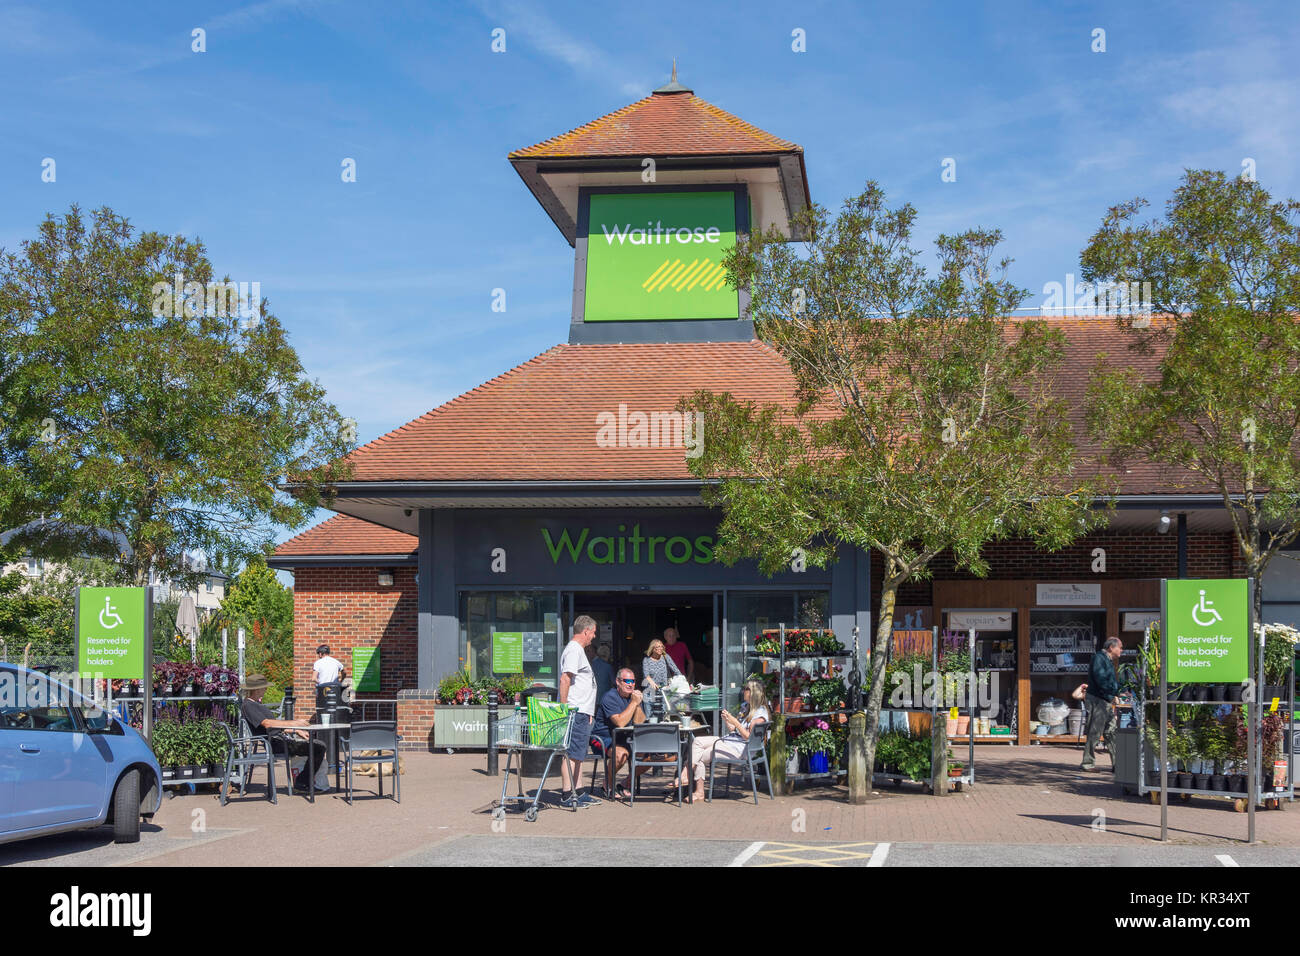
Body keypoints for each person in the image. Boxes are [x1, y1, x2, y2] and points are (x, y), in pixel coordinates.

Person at [679, 678, 769, 802]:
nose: (743, 691)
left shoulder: (760, 715)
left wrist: (736, 722)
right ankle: (686, 775)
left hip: (740, 749)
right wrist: (728, 721)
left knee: (698, 755)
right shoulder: (746, 708)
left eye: (746, 689)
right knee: (698, 741)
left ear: (754, 693)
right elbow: (734, 730)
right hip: (731, 742)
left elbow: (748, 737)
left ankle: (697, 789)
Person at [240, 673, 331, 793]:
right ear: (256, 690)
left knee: (317, 745)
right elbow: (268, 724)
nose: (266, 689)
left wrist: (296, 730)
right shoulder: (248, 705)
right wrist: (294, 723)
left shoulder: (256, 704)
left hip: (278, 739)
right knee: (318, 747)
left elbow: (276, 726)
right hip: (274, 743)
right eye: (264, 687)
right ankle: (302, 783)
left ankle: (303, 781)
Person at [559, 615, 601, 808]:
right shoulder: (574, 650)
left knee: (579, 753)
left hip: (583, 711)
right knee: (572, 753)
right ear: (585, 631)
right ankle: (568, 794)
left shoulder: (579, 651)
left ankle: (579, 790)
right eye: (593, 632)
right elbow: (565, 679)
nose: (593, 636)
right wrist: (564, 706)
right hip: (575, 711)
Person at [592, 667, 651, 798]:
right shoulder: (609, 697)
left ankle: (625, 783)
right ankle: (607, 784)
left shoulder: (633, 698)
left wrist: (637, 704)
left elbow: (639, 722)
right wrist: (633, 703)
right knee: (621, 755)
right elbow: (620, 722)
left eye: (633, 681)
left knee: (650, 755)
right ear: (618, 682)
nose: (630, 684)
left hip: (625, 738)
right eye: (627, 681)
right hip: (604, 738)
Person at [1081, 636, 1124, 771]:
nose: (1122, 650)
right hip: (1098, 700)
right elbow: (1101, 679)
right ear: (1111, 647)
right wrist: (1113, 693)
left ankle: (1118, 765)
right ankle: (1087, 764)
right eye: (1120, 647)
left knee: (1111, 731)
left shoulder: (1107, 659)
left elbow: (1108, 681)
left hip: (1104, 699)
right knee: (1095, 731)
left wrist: (1116, 693)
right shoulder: (1099, 658)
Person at [642, 638, 683, 708]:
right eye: (658, 647)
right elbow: (646, 675)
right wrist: (653, 684)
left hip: (664, 688)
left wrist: (679, 681)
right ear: (653, 648)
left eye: (662, 646)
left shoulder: (665, 657)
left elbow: (676, 670)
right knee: (649, 708)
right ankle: (648, 718)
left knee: (664, 710)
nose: (660, 648)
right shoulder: (646, 660)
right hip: (651, 688)